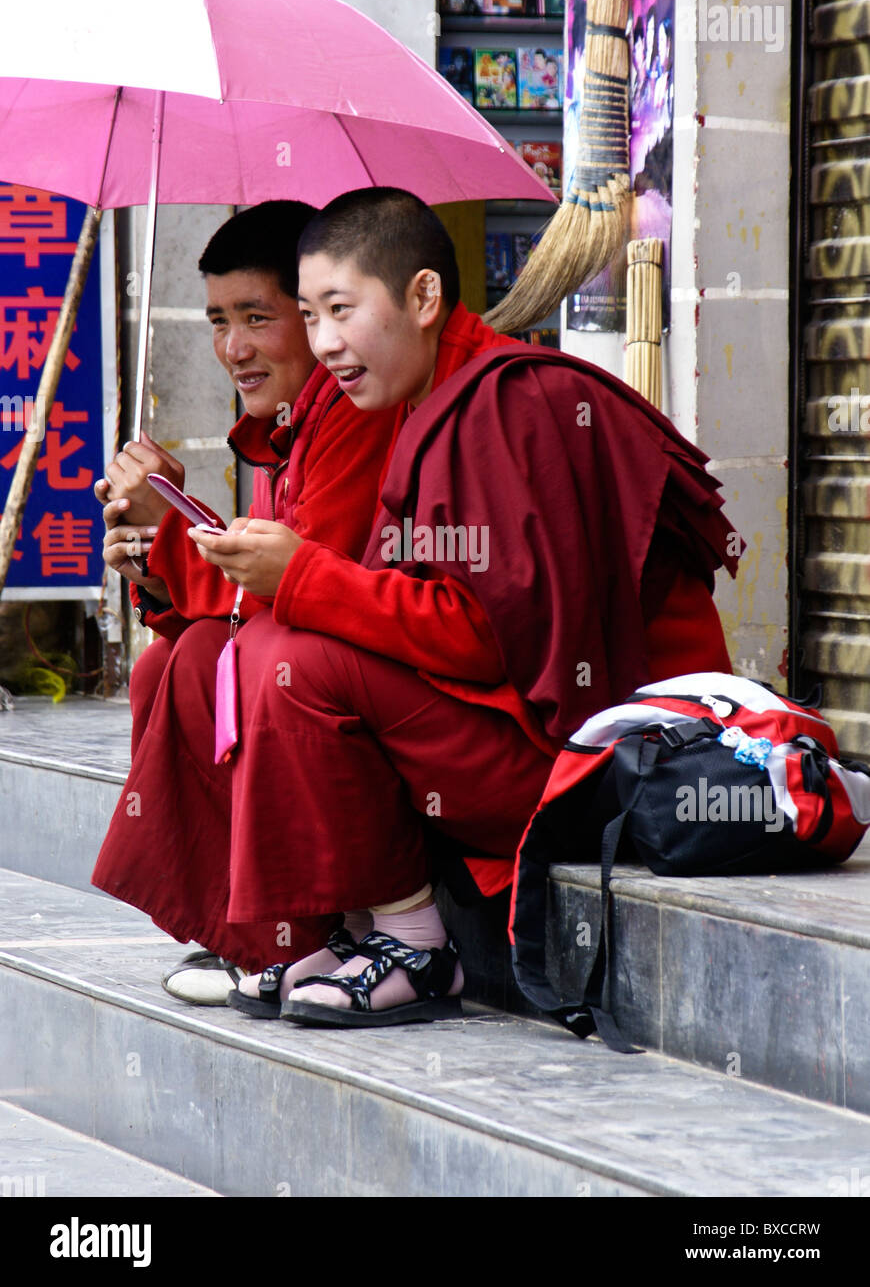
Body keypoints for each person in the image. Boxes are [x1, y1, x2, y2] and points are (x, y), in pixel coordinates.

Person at [176, 187, 740, 1030]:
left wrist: (301, 578)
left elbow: (488, 641)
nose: (324, 343)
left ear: (424, 297)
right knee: (244, 653)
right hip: (533, 734)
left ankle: (412, 942)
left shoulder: (502, 404)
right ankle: (346, 925)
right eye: (309, 315)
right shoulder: (422, 396)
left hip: (611, 763)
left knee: (289, 658)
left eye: (341, 310)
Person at [91, 200, 397, 1003]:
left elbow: (287, 594)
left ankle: (289, 931)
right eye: (218, 321)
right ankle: (238, 926)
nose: (233, 349)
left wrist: (170, 538)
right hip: (319, 647)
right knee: (165, 664)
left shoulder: (356, 412)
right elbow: (263, 571)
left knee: (205, 660)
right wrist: (158, 559)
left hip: (371, 670)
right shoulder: (289, 424)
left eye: (257, 317)